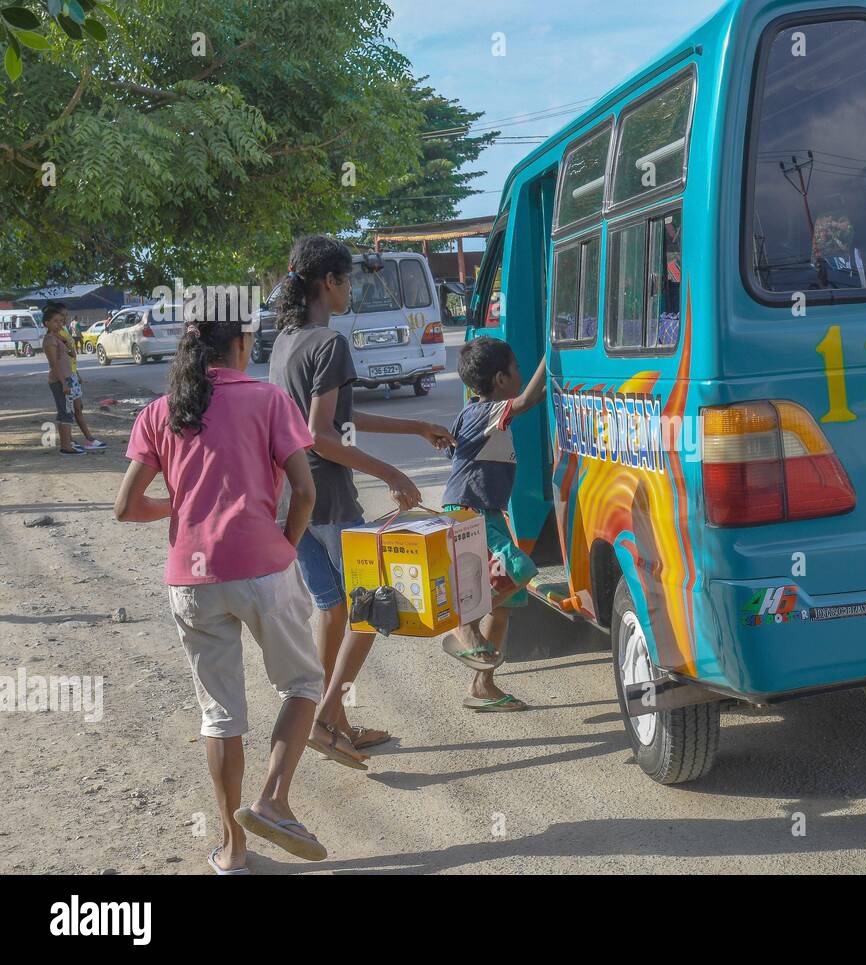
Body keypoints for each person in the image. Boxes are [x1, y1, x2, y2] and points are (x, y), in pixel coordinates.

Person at [114, 312, 327, 875]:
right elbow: (305, 491)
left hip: (190, 579)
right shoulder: (268, 399)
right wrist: (283, 544)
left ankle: (233, 849)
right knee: (304, 683)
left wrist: (180, 508)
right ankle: (274, 800)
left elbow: (126, 506)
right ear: (238, 345)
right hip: (263, 567)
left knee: (220, 716)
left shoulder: (160, 412)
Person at [269, 234, 453, 769]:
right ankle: (325, 719)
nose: (350, 290)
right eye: (347, 280)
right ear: (329, 282)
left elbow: (341, 420)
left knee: (334, 608)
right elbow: (320, 434)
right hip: (328, 499)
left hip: (292, 503)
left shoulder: (288, 341)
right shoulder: (330, 345)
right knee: (375, 608)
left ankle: (333, 721)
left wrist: (416, 426)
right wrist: (392, 472)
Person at [440, 336, 547, 712]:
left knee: (505, 603)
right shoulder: (489, 410)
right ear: (501, 379)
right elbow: (528, 400)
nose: (520, 375)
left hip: (484, 513)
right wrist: (552, 352)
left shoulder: (474, 411)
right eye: (517, 369)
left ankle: (482, 686)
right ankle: (459, 623)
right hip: (468, 513)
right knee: (519, 569)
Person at [46, 303, 105, 451]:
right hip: (62, 380)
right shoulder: (50, 339)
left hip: (69, 377)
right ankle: (67, 445)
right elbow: (54, 364)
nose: (62, 322)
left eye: (62, 319)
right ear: (47, 323)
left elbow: (71, 356)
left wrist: (75, 375)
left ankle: (71, 443)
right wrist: (64, 382)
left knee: (72, 410)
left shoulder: (59, 335)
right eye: (58, 320)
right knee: (66, 412)